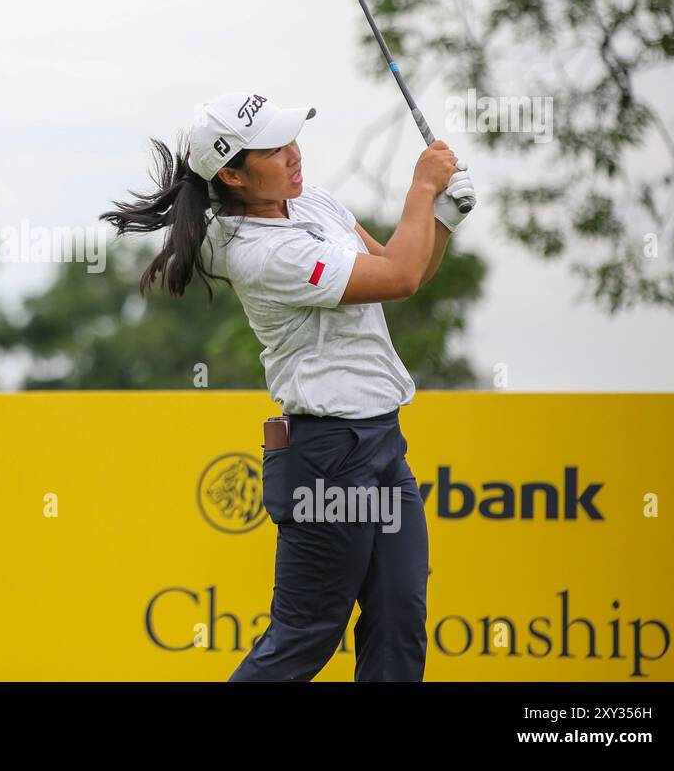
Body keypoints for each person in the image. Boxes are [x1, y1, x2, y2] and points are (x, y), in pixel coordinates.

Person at [99, 91, 476, 681]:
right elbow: (400, 276)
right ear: (232, 174)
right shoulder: (259, 251)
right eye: (274, 149)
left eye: (291, 139)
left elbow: (402, 269)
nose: (295, 154)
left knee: (399, 619)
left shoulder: (311, 202)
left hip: (381, 444)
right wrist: (422, 190)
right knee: (308, 635)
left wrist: (442, 221)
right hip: (327, 456)